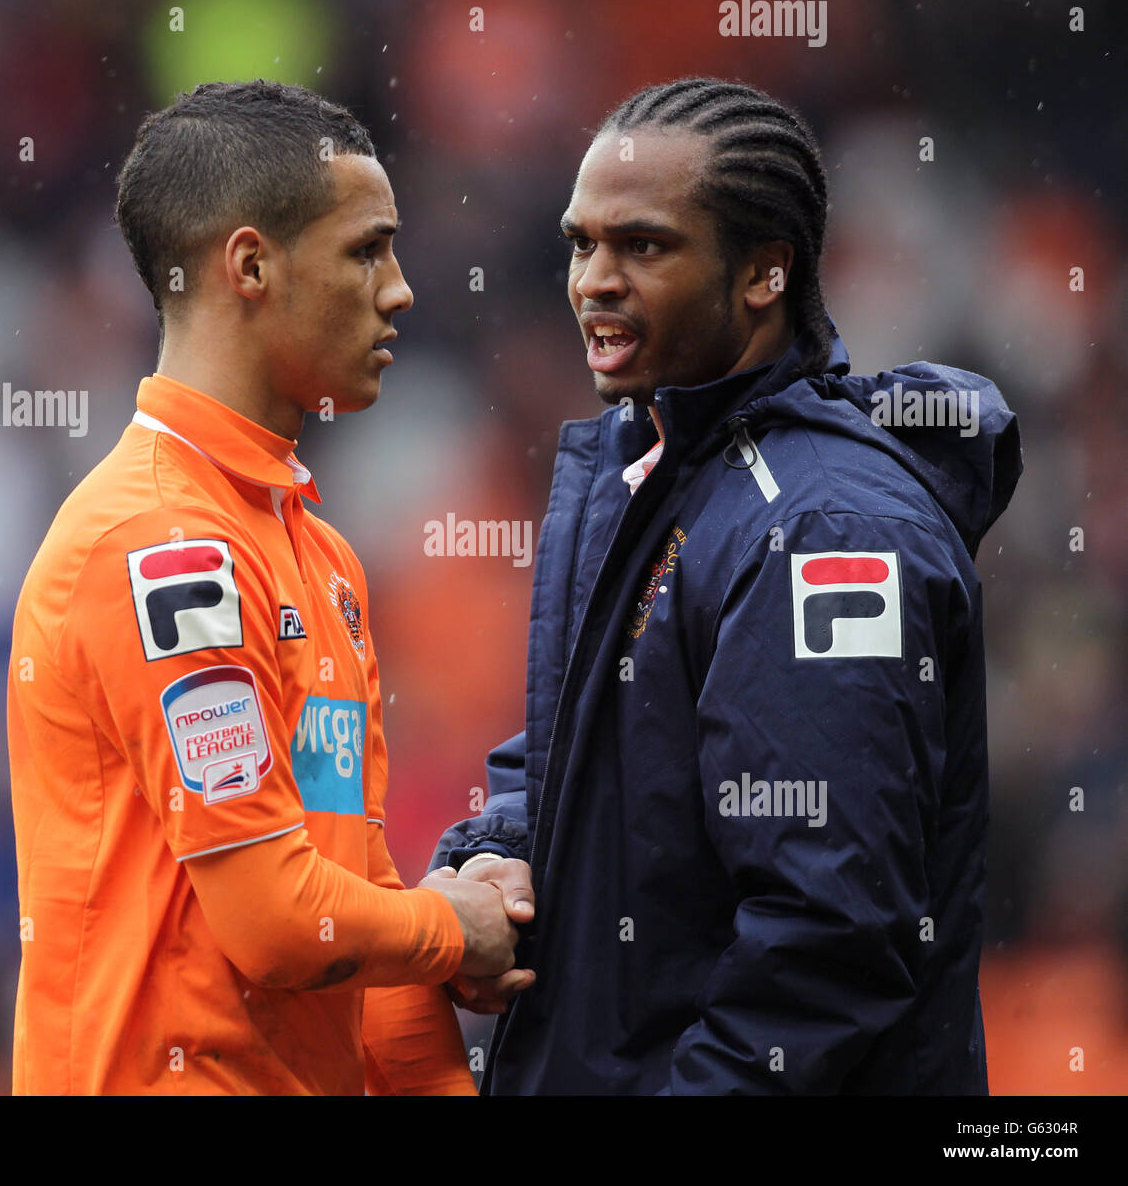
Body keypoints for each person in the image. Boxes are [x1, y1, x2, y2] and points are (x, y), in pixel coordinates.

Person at [431, 77, 1023, 1094]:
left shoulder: (826, 531)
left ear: (762, 275)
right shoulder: (661, 473)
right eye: (582, 244)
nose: (594, 281)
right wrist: (492, 853)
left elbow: (829, 934)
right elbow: (593, 756)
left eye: (643, 247)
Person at [7, 79, 519, 1096]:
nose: (401, 288)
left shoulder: (318, 557)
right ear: (250, 264)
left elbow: (358, 915)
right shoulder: (161, 547)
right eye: (366, 249)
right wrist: (452, 927)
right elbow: (278, 925)